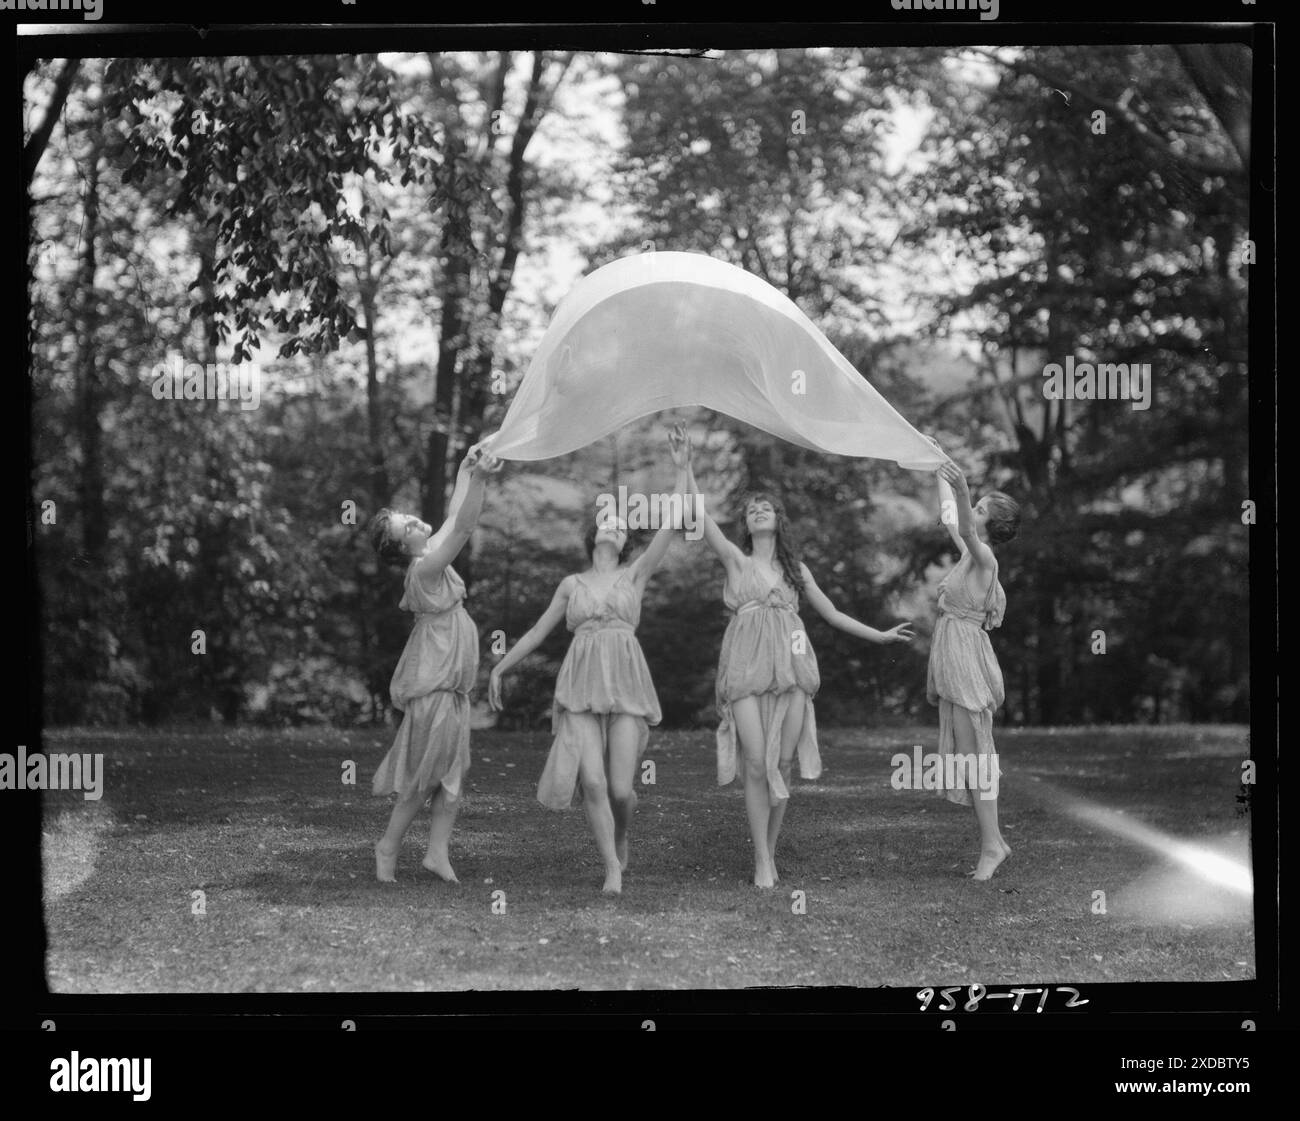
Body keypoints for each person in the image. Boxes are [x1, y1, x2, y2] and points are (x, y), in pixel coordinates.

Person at [684, 440, 915, 888]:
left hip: (791, 665)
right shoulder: (737, 561)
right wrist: (686, 467)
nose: (758, 511)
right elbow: (699, 517)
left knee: (783, 762)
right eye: (752, 509)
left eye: (766, 507)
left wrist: (880, 634)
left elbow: (832, 615)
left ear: (778, 520)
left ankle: (769, 851)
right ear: (747, 527)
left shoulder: (796, 571)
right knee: (756, 761)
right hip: (746, 667)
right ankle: (761, 860)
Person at [488, 425, 692, 894]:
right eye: (608, 522)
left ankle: (622, 832)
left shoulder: (635, 575)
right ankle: (611, 868)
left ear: (624, 543)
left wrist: (682, 471)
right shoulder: (571, 585)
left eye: (621, 527)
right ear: (593, 535)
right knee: (594, 784)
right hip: (579, 686)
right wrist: (500, 665)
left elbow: (670, 523)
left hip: (626, 682)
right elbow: (539, 631)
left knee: (622, 788)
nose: (614, 527)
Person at [367, 444, 502, 883]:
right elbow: (463, 527)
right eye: (405, 523)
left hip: (452, 691)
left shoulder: (428, 557)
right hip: (436, 691)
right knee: (427, 777)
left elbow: (451, 519)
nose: (412, 518)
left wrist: (466, 475)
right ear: (401, 544)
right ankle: (388, 847)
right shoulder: (423, 570)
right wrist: (481, 479)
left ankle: (436, 854)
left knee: (453, 777)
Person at [928, 454, 1021, 880]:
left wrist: (963, 487)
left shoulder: (986, 558)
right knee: (970, 757)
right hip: (954, 653)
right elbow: (953, 520)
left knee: (975, 757)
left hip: (967, 658)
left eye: (982, 508)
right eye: (977, 504)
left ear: (991, 526)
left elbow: (963, 525)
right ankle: (993, 843)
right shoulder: (969, 553)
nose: (973, 512)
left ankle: (992, 845)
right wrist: (939, 469)